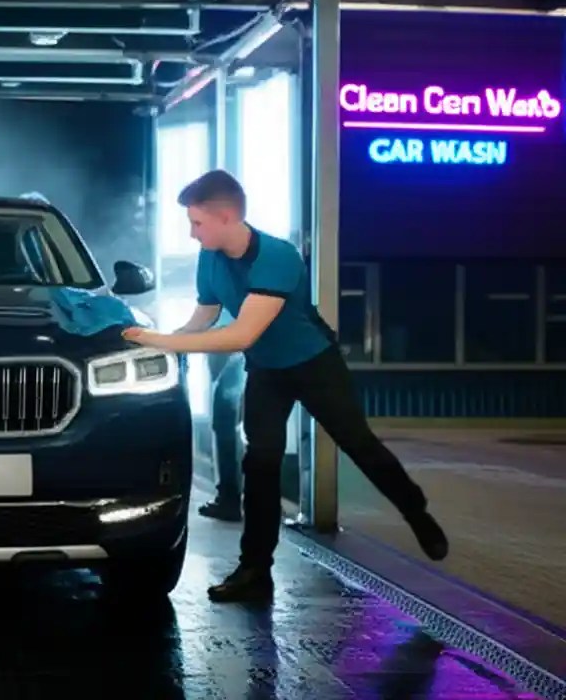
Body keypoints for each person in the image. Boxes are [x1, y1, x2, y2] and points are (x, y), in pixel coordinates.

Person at [121, 169, 448, 603]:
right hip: (267, 371)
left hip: (314, 364)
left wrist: (160, 340)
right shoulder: (211, 257)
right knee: (260, 463)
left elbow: (241, 335)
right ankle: (255, 569)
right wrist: (167, 346)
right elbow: (204, 316)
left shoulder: (277, 256)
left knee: (359, 444)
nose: (192, 233)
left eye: (197, 223)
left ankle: (415, 510)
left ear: (226, 217)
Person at [200, 350, 246, 522]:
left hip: (231, 348)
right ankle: (231, 496)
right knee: (227, 424)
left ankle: (229, 498)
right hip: (237, 350)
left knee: (225, 423)